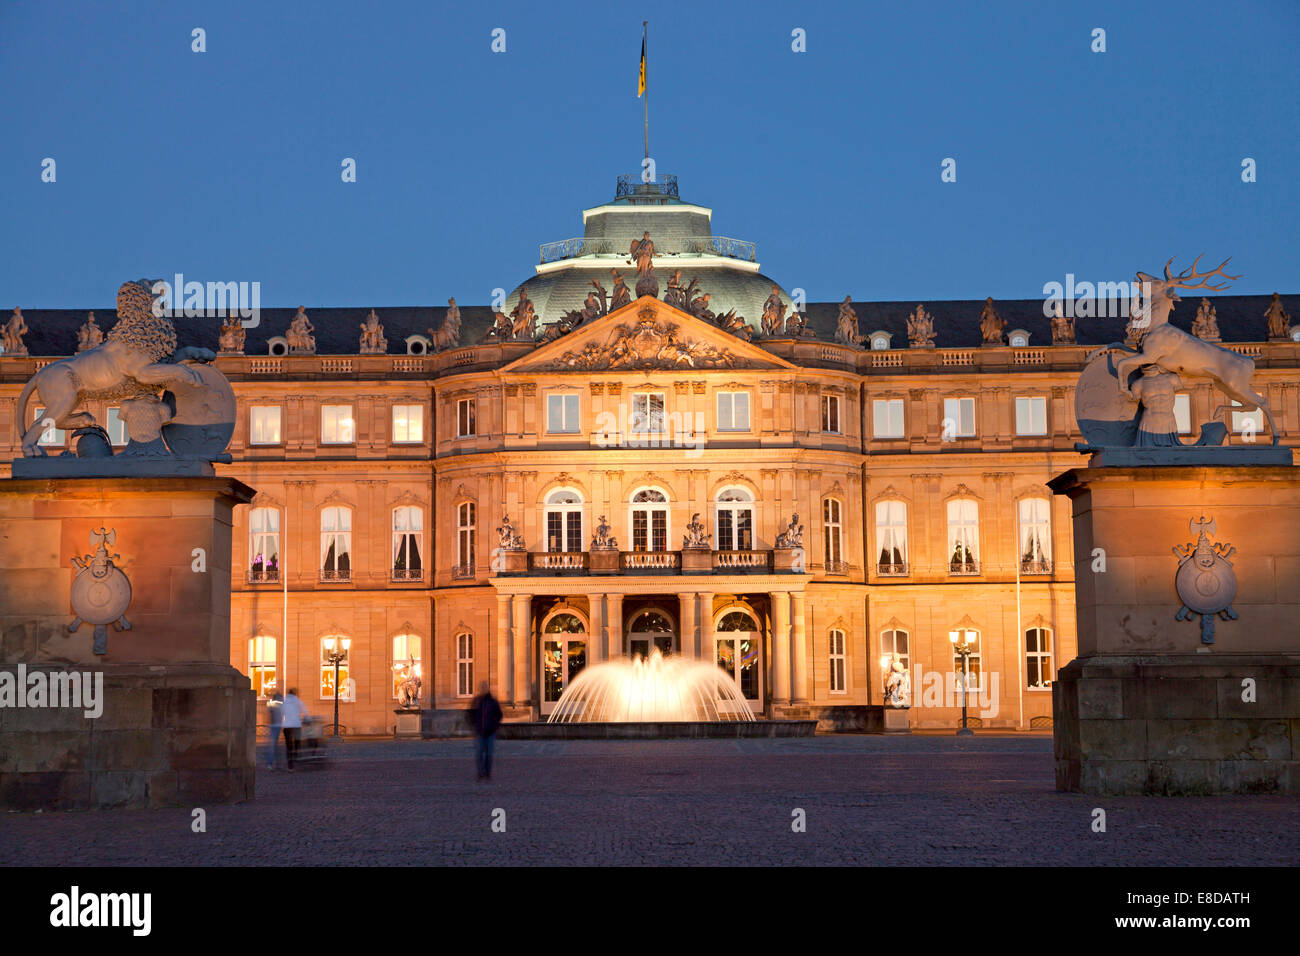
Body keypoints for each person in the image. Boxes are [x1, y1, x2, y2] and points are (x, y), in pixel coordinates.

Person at [468, 681, 503, 781]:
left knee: (489, 754)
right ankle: (480, 773)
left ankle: (487, 773)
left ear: (487, 689)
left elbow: (499, 714)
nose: (483, 689)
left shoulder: (493, 701)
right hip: (480, 732)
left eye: (484, 687)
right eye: (481, 687)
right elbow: (470, 714)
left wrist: (495, 725)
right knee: (479, 754)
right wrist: (474, 725)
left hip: (490, 732)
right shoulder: (476, 701)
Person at [280, 688, 308, 772]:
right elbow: (305, 711)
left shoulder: (284, 702)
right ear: (295, 694)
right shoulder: (298, 701)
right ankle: (296, 754)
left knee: (288, 746)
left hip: (287, 726)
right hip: (296, 725)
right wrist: (306, 718)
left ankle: (290, 766)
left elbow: (281, 713)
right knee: (297, 742)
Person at [265, 692, 283, 770]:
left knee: (274, 745)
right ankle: (272, 763)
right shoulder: (279, 704)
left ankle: (272, 763)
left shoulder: (271, 704)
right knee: (274, 746)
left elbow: (269, 710)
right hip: (276, 726)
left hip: (274, 726)